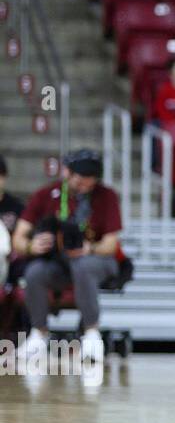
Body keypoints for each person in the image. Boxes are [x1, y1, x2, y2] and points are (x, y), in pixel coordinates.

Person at [10, 149, 122, 366]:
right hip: (58, 263)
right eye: (80, 180)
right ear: (66, 173)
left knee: (84, 265)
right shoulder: (46, 194)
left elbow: (111, 245)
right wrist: (33, 245)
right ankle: (39, 333)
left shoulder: (106, 196)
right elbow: (18, 238)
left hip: (97, 260)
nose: (85, 186)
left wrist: (89, 248)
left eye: (90, 182)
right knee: (35, 272)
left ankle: (91, 333)